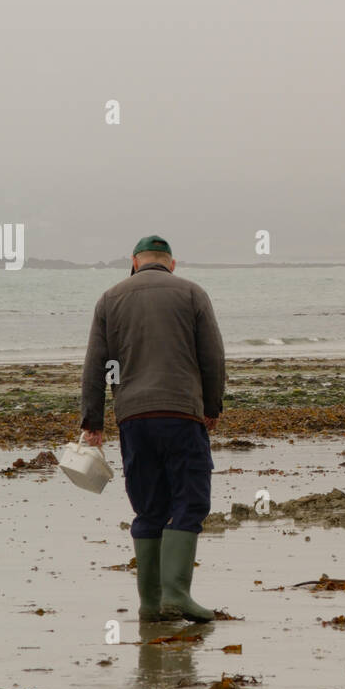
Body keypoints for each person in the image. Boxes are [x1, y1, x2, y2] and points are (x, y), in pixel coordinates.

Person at [80, 235, 226, 622]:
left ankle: (150, 603)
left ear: (134, 261)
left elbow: (96, 363)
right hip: (181, 412)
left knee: (148, 506)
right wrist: (212, 407)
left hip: (133, 417)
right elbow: (212, 356)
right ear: (171, 263)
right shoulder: (193, 293)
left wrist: (92, 421)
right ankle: (176, 595)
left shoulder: (110, 298)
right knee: (189, 499)